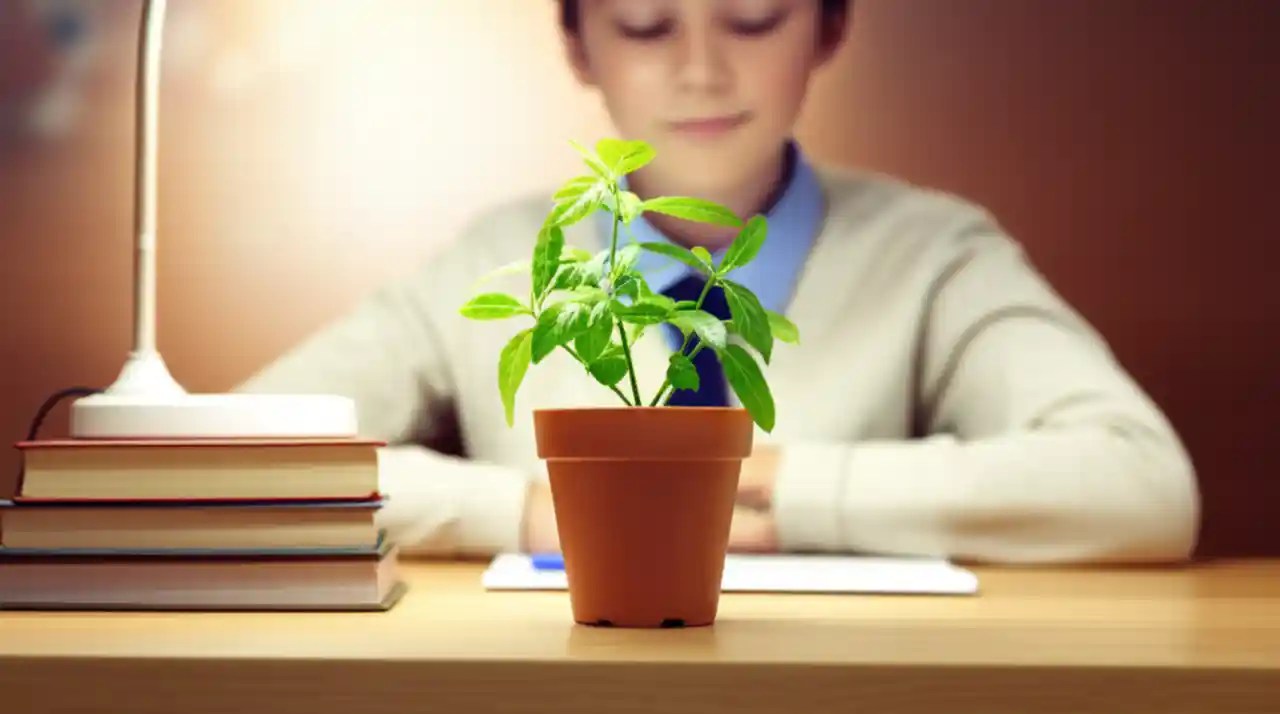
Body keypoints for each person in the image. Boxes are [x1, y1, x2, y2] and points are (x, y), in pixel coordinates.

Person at [237, 0, 1199, 562]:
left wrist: (759, 491)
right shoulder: (500, 263)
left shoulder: (932, 253)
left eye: (751, 16)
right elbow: (231, 463)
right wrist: (540, 512)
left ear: (827, 29)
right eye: (648, 25)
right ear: (579, 47)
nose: (701, 70)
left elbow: (1142, 483)